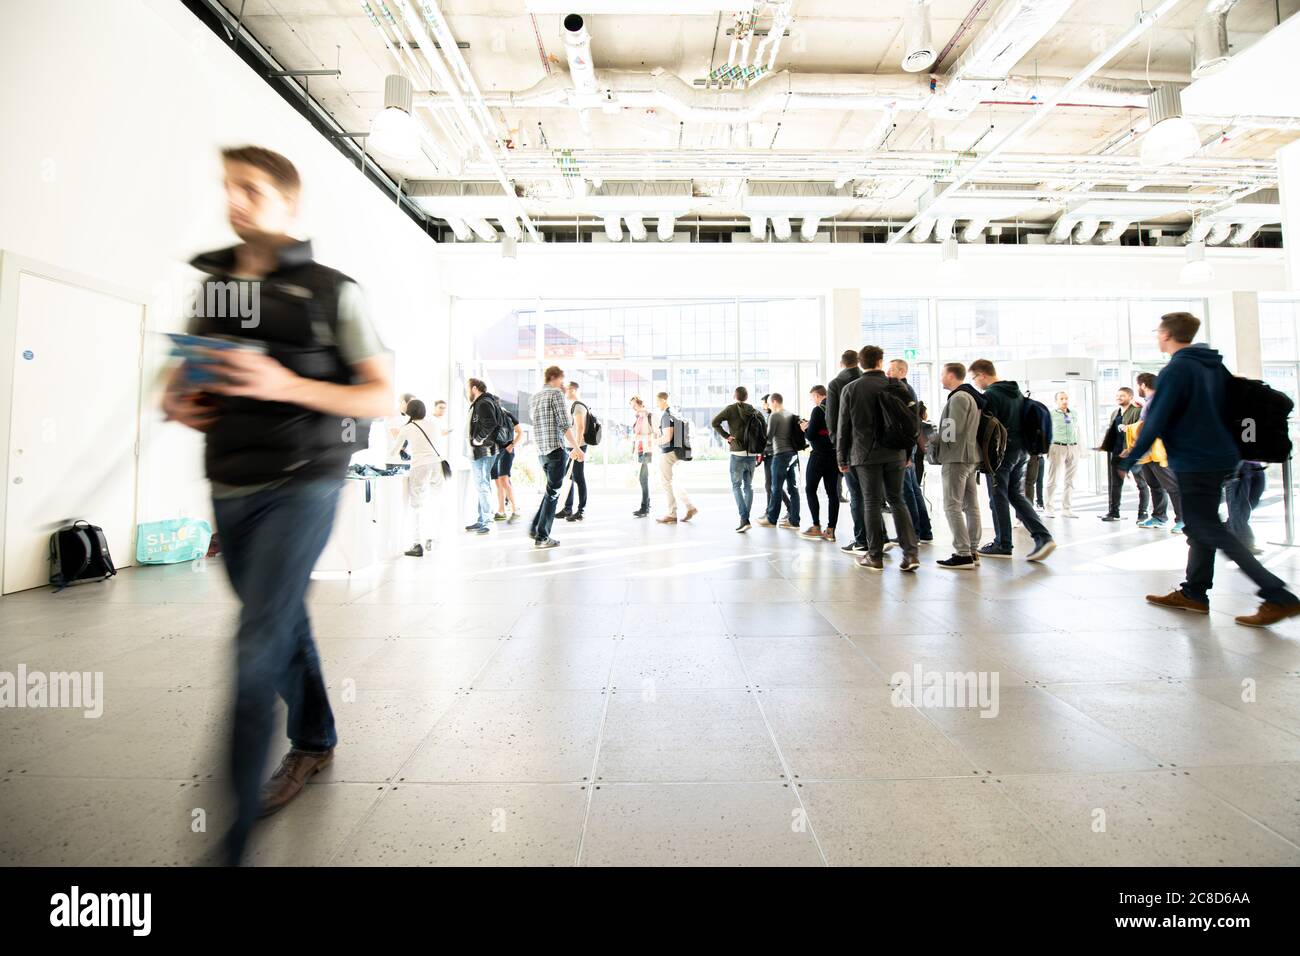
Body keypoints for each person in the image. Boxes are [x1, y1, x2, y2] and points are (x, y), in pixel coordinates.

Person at [162, 146, 394, 865]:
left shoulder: (331, 292)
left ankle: (229, 844)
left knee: (256, 642)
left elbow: (380, 395)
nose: (236, 201)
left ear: (289, 206)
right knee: (281, 619)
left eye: (252, 190)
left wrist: (284, 385)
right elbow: (179, 380)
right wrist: (178, 398)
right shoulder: (216, 290)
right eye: (229, 188)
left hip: (307, 481)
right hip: (232, 484)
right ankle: (317, 739)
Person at [1121, 312, 1300, 626]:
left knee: (1210, 528)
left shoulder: (1177, 368)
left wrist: (1130, 456)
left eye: (1158, 332)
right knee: (1200, 525)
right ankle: (1194, 592)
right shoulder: (1212, 365)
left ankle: (1278, 595)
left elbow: (1158, 419)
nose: (1157, 337)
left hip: (1196, 459)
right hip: (1221, 455)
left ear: (1166, 335)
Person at [837, 345, 919, 572]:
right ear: (881, 362)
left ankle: (874, 556)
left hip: (864, 454)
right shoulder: (897, 386)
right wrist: (908, 453)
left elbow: (843, 426)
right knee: (897, 500)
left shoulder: (851, 389)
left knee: (871, 503)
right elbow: (912, 423)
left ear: (861, 363)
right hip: (895, 453)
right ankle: (911, 554)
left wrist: (842, 458)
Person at [970, 359, 1055, 561]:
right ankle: (1043, 536)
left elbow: (986, 428)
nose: (975, 383)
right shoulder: (1015, 392)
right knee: (1015, 494)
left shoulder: (991, 395)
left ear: (982, 375)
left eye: (974, 378)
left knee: (997, 496)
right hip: (1021, 451)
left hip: (1000, 454)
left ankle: (1003, 543)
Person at [527, 365, 583, 549]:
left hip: (541, 452)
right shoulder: (556, 394)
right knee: (553, 494)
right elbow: (564, 424)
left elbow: (534, 423)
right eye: (561, 379)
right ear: (553, 377)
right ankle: (542, 537)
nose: (563, 384)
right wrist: (576, 447)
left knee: (550, 491)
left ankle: (536, 528)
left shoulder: (535, 397)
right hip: (556, 450)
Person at [935, 363, 983, 570]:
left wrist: (932, 440)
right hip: (971, 456)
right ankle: (972, 549)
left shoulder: (958, 397)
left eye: (942, 374)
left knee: (952, 505)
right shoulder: (972, 396)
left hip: (957, 457)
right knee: (971, 505)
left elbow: (950, 430)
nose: (941, 378)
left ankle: (962, 553)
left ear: (952, 375)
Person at [389, 399, 445, 556]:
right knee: (435, 501)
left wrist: (395, 436)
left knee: (417, 506)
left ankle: (417, 544)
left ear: (409, 412)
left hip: (420, 466)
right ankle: (432, 538)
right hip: (437, 464)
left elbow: (394, 451)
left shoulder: (407, 428)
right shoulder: (433, 423)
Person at [887, 359, 934, 542]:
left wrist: (906, 452)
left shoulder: (901, 391)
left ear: (903, 372)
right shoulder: (906, 390)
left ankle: (912, 532)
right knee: (913, 489)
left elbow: (906, 423)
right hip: (909, 445)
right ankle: (924, 530)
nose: (888, 373)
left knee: (907, 490)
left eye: (891, 370)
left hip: (904, 446)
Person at [1131, 372, 1183, 533]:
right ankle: (1159, 517)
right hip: (1148, 452)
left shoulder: (1158, 401)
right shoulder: (1149, 401)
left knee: (1172, 485)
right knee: (1154, 485)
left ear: (1143, 385)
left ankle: (1183, 519)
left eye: (1138, 385)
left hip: (1159, 451)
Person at [827, 349, 866, 554]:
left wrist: (838, 448)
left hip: (850, 447)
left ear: (841, 363)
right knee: (873, 496)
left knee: (856, 495)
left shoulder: (836, 384)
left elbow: (833, 421)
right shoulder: (867, 378)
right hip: (873, 447)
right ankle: (880, 536)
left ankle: (861, 539)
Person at [711, 385, 760, 532]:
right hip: (751, 454)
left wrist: (727, 436)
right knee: (748, 487)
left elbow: (715, 422)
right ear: (747, 396)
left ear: (735, 395)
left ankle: (744, 519)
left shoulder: (731, 409)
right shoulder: (753, 410)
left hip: (737, 453)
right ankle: (745, 519)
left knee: (736, 486)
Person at [756, 393, 801, 529]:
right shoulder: (790, 414)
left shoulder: (775, 415)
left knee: (775, 487)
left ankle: (771, 518)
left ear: (774, 402)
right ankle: (794, 521)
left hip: (780, 454)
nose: (768, 406)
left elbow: (768, 437)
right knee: (793, 488)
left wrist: (758, 444)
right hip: (793, 454)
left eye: (769, 403)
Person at [1100, 387, 1144, 522]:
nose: (1119, 398)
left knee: (1140, 483)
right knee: (1116, 484)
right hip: (1117, 452)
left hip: (1132, 452)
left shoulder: (1138, 411)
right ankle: (1114, 512)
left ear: (1130, 397)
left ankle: (1143, 513)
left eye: (1122, 396)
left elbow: (1141, 429)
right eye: (1117, 395)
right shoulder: (1115, 413)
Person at [801, 385, 837, 540]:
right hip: (834, 455)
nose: (813, 401)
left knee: (810, 489)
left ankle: (816, 526)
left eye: (812, 398)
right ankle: (830, 531)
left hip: (818, 457)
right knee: (832, 493)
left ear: (817, 396)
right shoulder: (836, 408)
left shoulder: (818, 410)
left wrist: (805, 427)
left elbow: (811, 435)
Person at [465, 378, 501, 534]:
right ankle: (482, 519)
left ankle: (487, 521)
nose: (467, 393)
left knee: (483, 485)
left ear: (474, 388)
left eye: (467, 389)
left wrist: (478, 439)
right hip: (484, 450)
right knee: (482, 485)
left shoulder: (483, 402)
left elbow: (490, 423)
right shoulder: (484, 401)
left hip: (484, 450)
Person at [656, 391, 697, 523]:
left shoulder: (666, 416)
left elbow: (667, 437)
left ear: (663, 400)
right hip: (678, 453)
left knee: (666, 483)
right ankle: (690, 507)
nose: (657, 404)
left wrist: (654, 441)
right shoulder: (675, 413)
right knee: (675, 483)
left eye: (657, 401)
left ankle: (672, 514)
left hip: (668, 453)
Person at [1043, 390, 1080, 518]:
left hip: (1073, 447)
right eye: (1061, 399)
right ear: (1056, 401)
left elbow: (1077, 430)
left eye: (1066, 398)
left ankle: (1066, 509)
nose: (1065, 401)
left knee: (1070, 481)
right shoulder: (1051, 414)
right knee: (1053, 479)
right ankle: (1048, 508)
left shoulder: (1074, 413)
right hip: (1057, 447)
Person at [557, 381, 589, 522]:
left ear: (574, 390)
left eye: (568, 389)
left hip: (578, 446)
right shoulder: (574, 406)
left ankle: (580, 511)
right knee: (569, 477)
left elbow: (580, 428)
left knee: (578, 477)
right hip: (572, 446)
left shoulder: (578, 406)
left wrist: (577, 448)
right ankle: (567, 508)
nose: (566, 392)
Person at [1227, 461, 1267, 554]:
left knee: (1251, 502)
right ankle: (1245, 544)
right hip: (1238, 464)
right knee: (1240, 506)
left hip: (1254, 463)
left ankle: (1231, 529)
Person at [491, 403, 522, 523]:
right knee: (498, 482)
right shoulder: (496, 415)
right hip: (495, 451)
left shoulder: (507, 415)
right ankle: (501, 510)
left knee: (503, 480)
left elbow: (520, 432)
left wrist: (512, 445)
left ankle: (515, 509)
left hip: (506, 451)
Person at [630, 395, 655, 518]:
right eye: (632, 406)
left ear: (641, 404)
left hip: (647, 450)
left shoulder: (649, 416)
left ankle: (644, 507)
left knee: (643, 479)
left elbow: (656, 435)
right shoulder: (638, 417)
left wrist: (640, 438)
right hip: (639, 451)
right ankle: (646, 505)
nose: (633, 408)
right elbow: (636, 434)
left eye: (635, 405)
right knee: (642, 479)